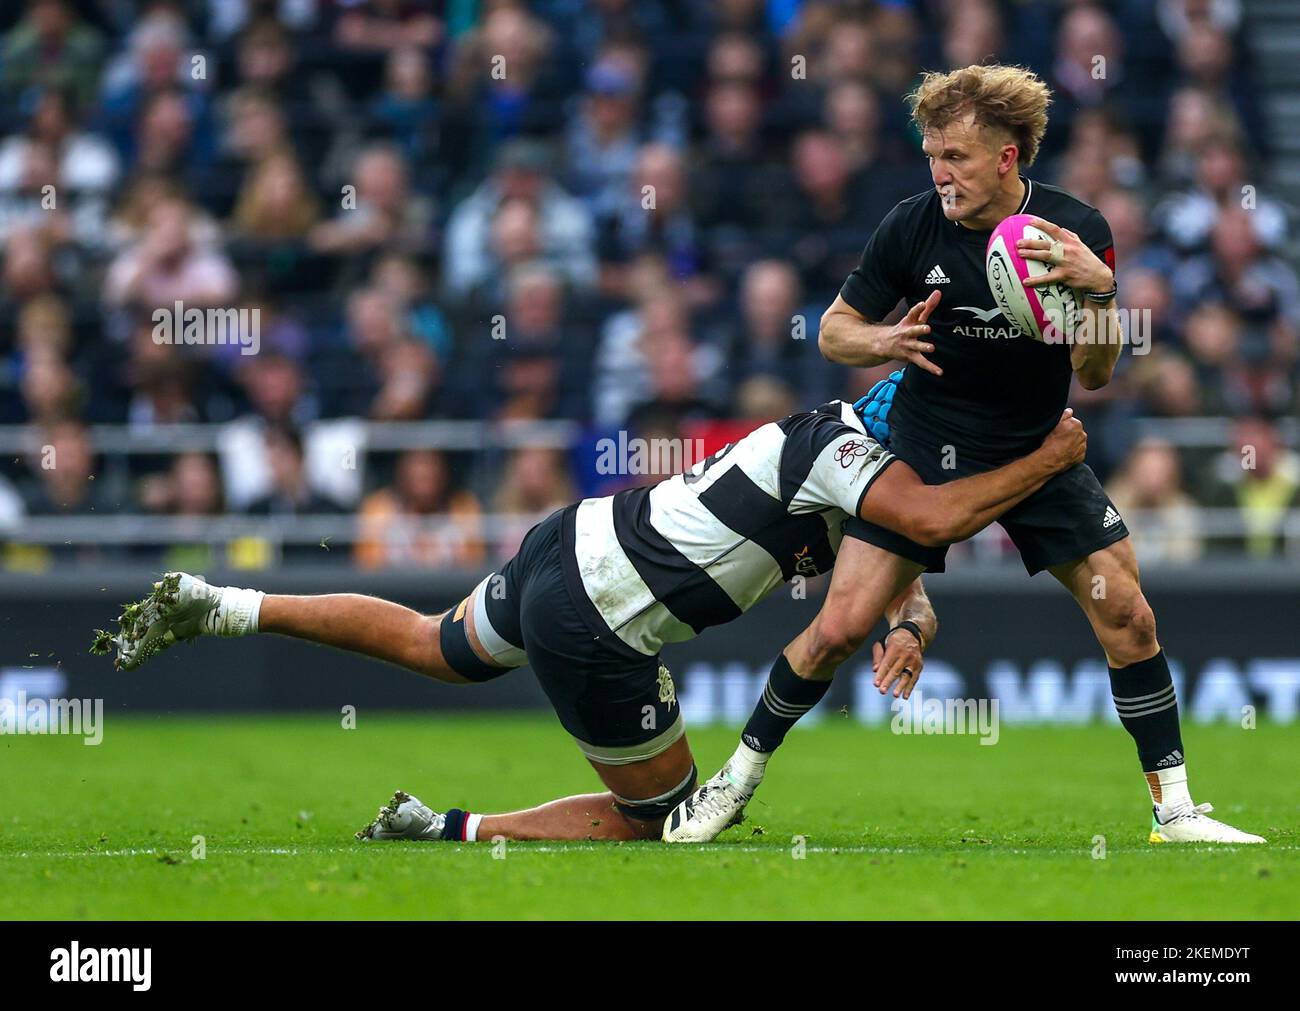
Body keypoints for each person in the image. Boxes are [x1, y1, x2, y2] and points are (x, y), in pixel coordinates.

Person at [676, 64, 1263, 846]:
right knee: (840, 627)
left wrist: (1098, 295)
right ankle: (733, 780)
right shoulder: (912, 225)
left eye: (954, 155)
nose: (940, 172)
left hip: (1039, 450)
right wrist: (883, 339)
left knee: (1127, 611)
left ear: (1007, 157)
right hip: (920, 451)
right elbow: (832, 328)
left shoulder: (1074, 230)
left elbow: (1095, 372)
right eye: (931, 154)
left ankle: (1176, 811)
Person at [93, 398, 1087, 843]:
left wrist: (909, 619)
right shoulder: (851, 459)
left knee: (436, 645)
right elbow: (919, 527)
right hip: (600, 612)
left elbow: (893, 556)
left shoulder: (848, 455)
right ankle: (438, 828)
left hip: (569, 540)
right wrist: (1049, 458)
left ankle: (223, 603)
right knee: (658, 819)